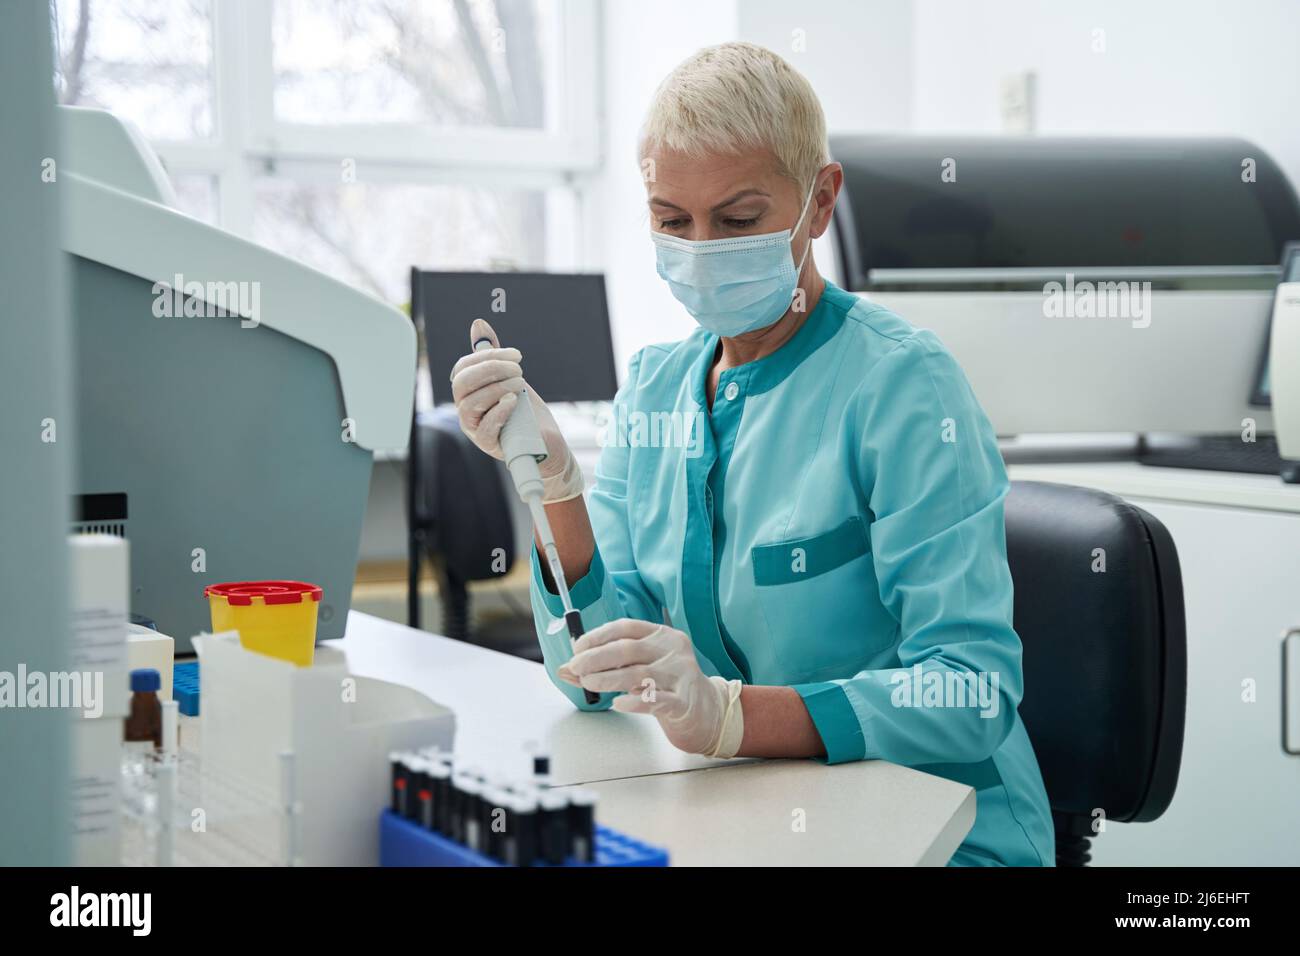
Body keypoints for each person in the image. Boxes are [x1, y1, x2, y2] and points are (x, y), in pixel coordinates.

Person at [451, 42, 1054, 866]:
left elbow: (970, 690)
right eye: (671, 220)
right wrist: (552, 484)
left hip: (941, 833)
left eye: (737, 220)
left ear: (819, 201)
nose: (702, 248)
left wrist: (736, 717)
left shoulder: (903, 386)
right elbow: (589, 683)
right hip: (754, 815)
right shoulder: (656, 388)